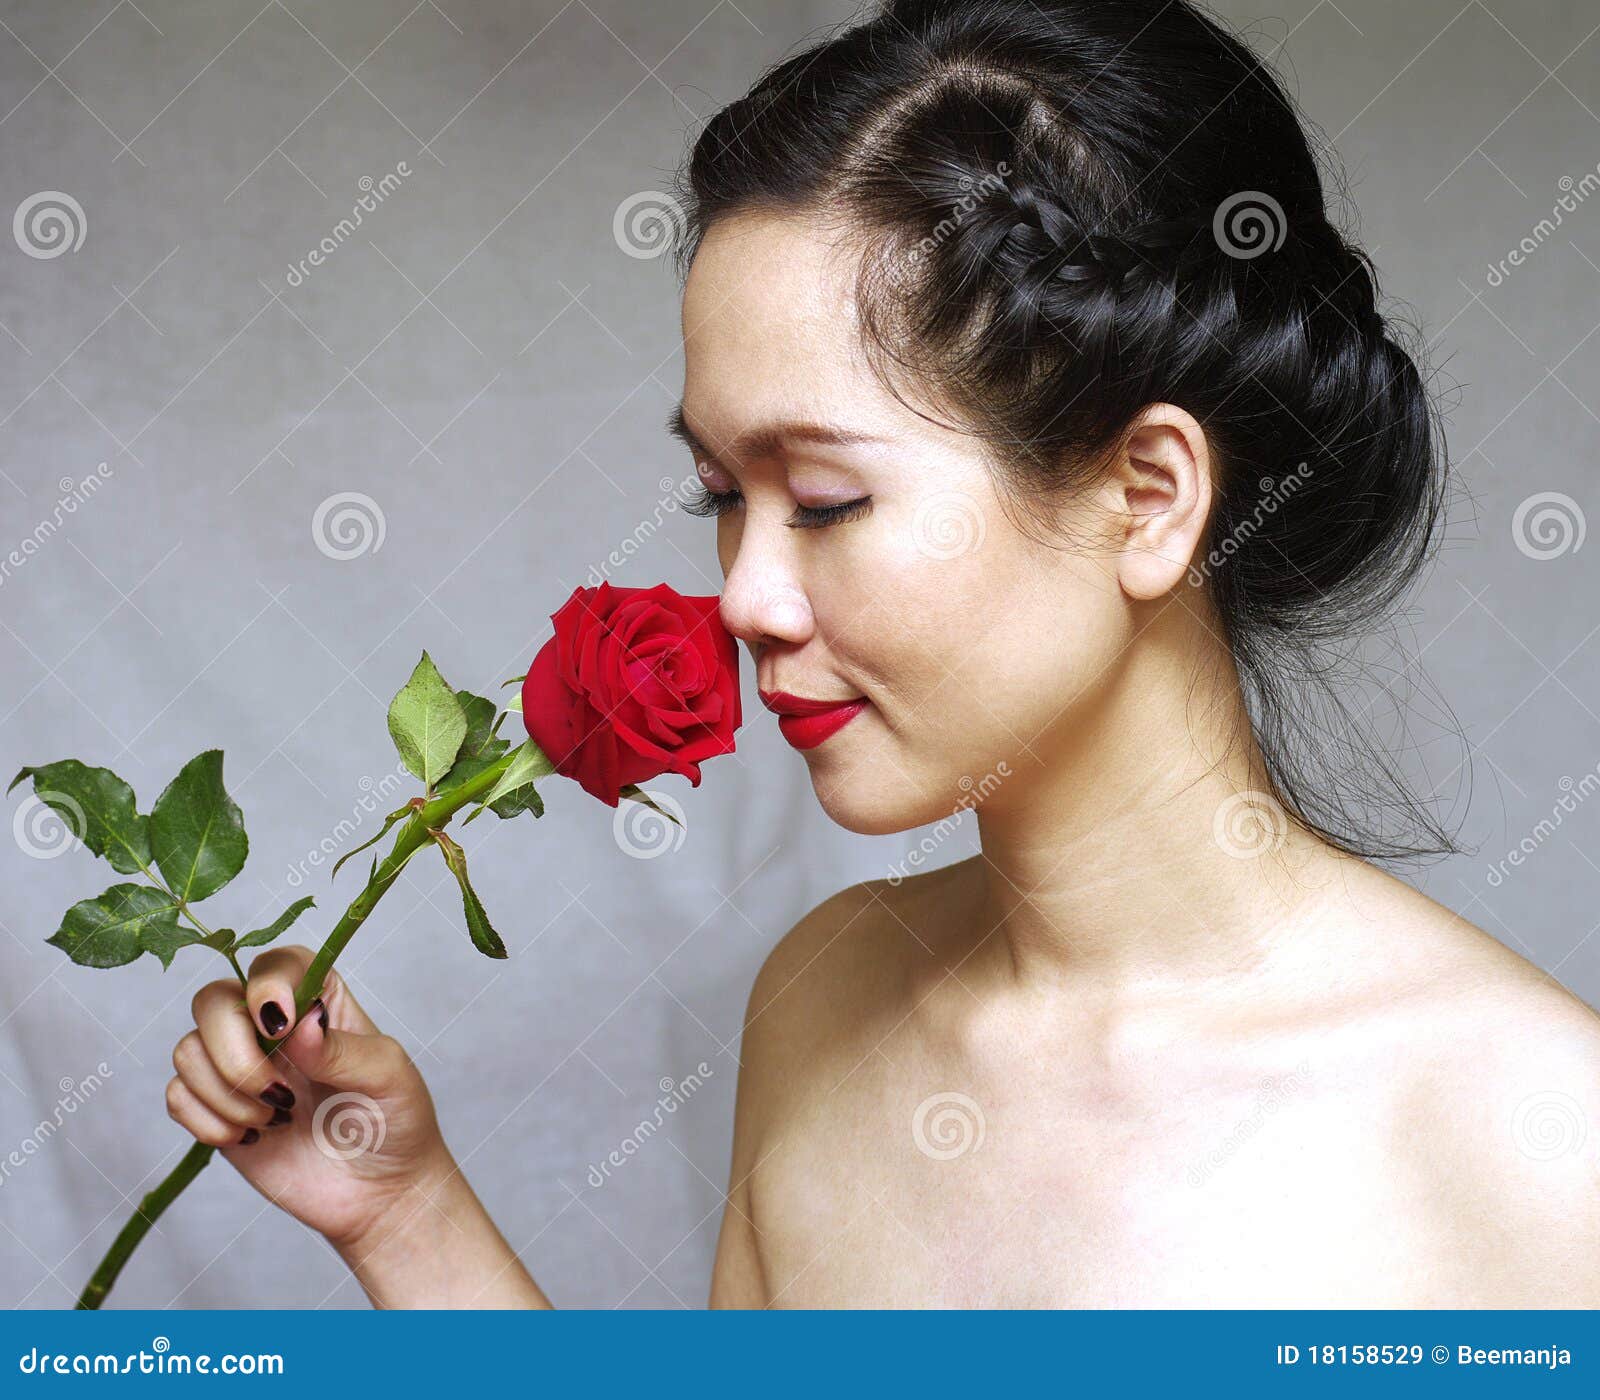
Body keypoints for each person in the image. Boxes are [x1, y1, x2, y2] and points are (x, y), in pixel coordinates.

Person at [166, 0, 1600, 1306]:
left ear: (1147, 495)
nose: (744, 599)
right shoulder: (827, 996)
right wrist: (403, 1214)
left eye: (826, 500)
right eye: (723, 497)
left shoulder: (1531, 1136)